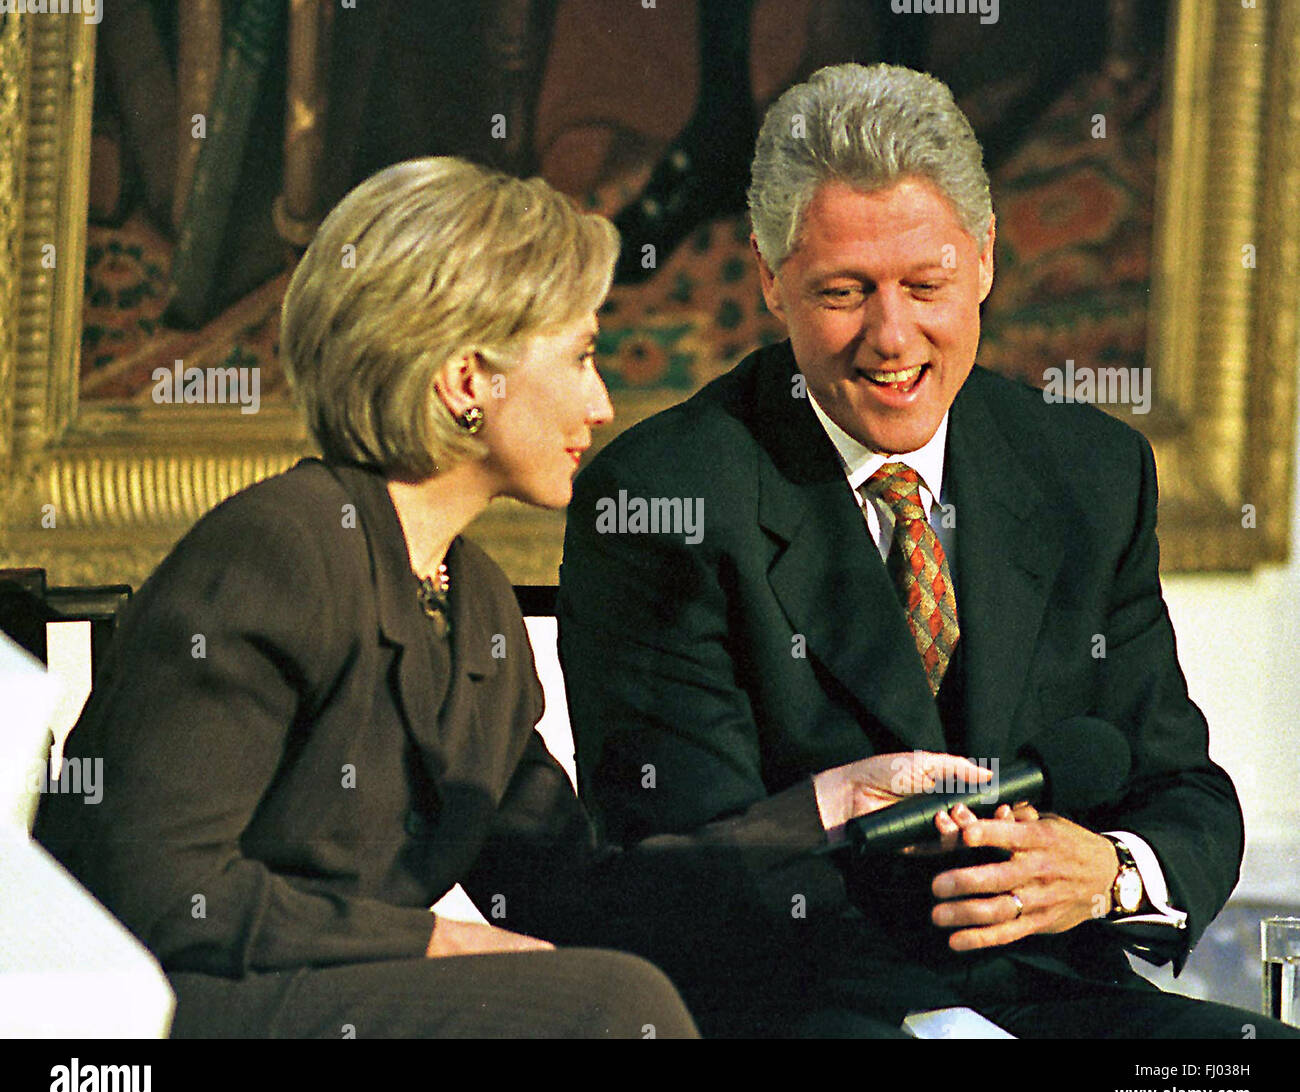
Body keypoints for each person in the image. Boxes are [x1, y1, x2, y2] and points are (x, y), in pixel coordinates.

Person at [557, 63, 1299, 1038]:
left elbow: (1179, 787)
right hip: (802, 1005)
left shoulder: (1087, 470)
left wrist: (1109, 874)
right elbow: (681, 863)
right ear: (769, 281)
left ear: (984, 259)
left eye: (925, 284)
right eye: (842, 291)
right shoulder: (665, 495)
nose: (890, 335)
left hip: (1061, 1002)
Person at [33, 157, 697, 1038]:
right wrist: (434, 943)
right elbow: (151, 890)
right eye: (580, 356)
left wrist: (817, 833)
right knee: (616, 1009)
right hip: (171, 1019)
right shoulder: (281, 548)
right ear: (468, 382)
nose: (602, 403)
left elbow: (574, 894)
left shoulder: (479, 608)